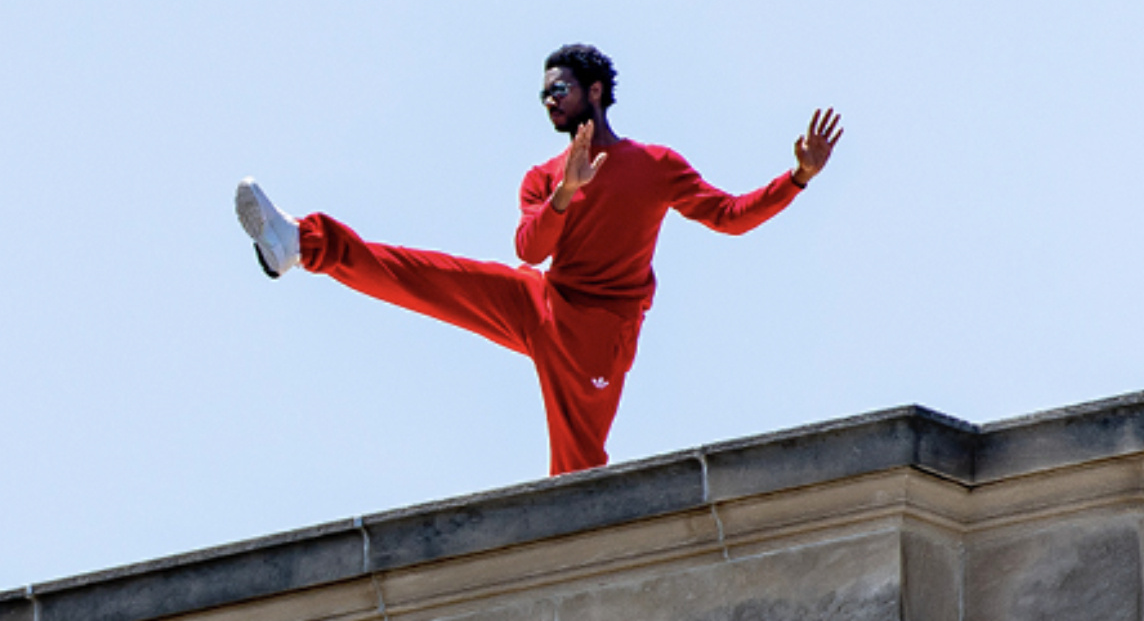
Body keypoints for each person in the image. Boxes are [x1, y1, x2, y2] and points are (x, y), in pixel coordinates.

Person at [235, 43, 843, 476]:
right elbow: (529, 249)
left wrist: (797, 177)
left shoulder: (654, 166)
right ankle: (303, 244)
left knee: (578, 471)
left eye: (560, 89)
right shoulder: (543, 175)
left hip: (599, 331)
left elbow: (731, 216)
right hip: (543, 300)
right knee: (426, 274)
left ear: (595, 92)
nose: (549, 101)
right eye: (543, 94)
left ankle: (576, 562)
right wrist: (565, 195)